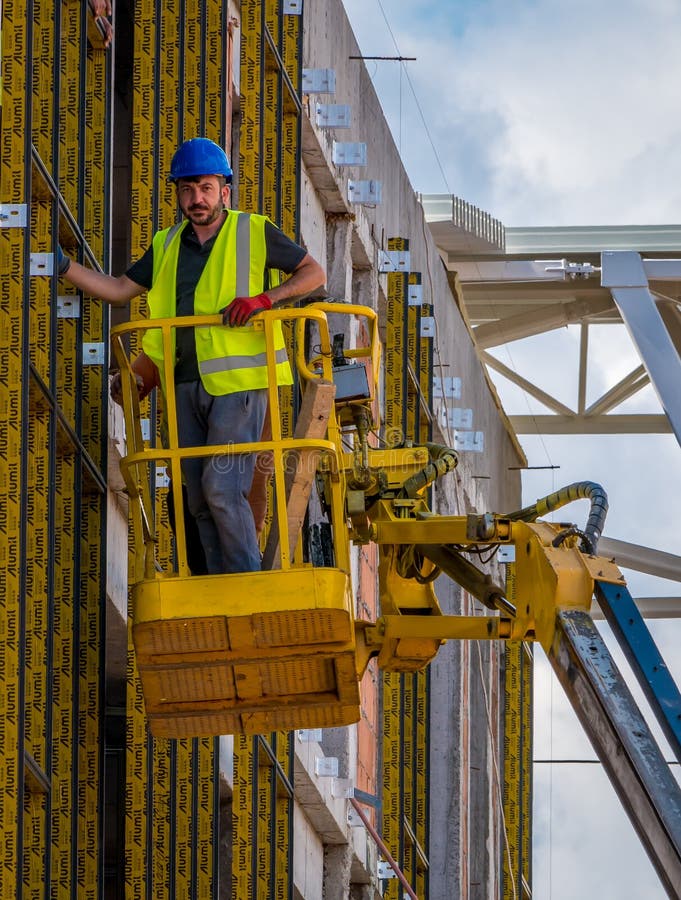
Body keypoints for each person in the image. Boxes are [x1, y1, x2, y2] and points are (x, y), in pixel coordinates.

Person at [60, 137, 326, 574]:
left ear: (224, 191)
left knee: (221, 488)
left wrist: (265, 299)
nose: (195, 198)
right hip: (183, 382)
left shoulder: (252, 230)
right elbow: (119, 289)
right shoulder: (166, 244)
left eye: (204, 188)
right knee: (198, 497)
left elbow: (314, 273)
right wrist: (65, 267)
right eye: (186, 189)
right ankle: (215, 587)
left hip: (239, 384)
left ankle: (245, 585)